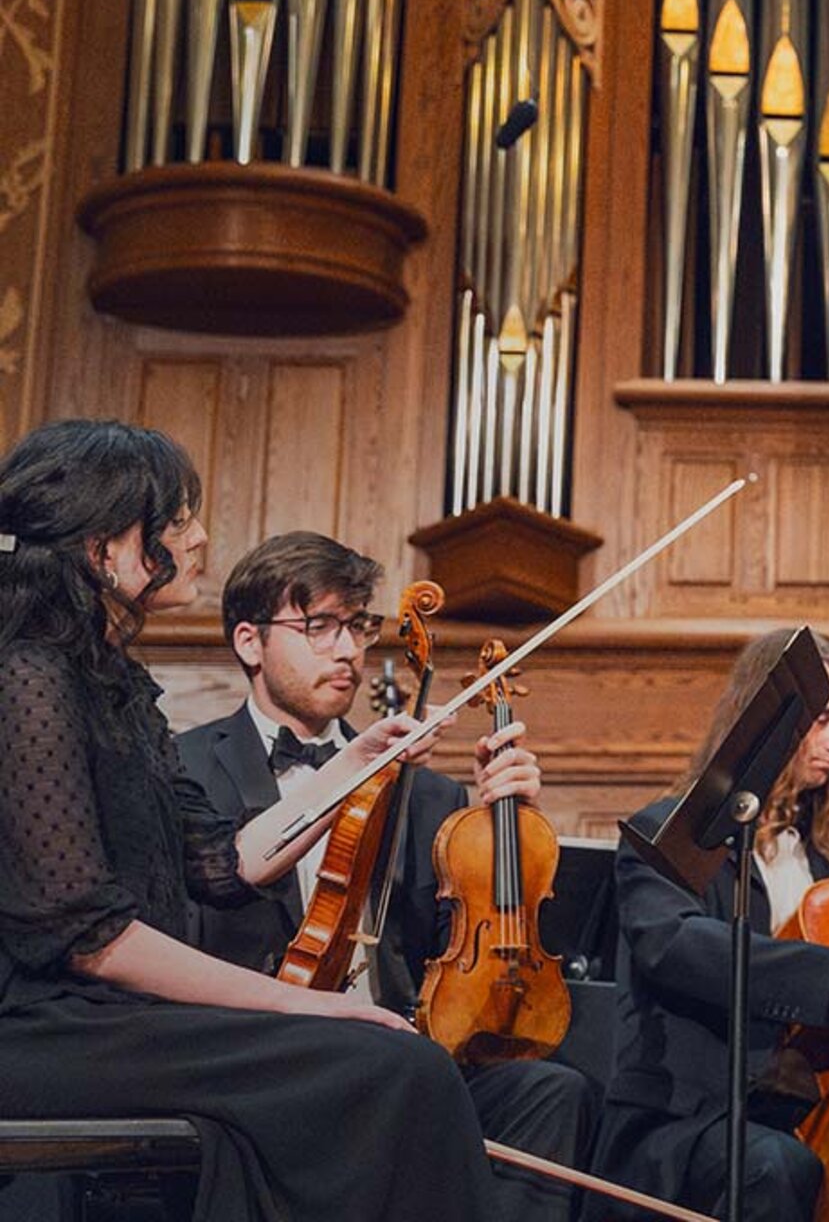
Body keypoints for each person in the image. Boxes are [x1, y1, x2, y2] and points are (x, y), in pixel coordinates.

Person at [0, 418, 496, 1222]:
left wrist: (352, 762)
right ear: (102, 551)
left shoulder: (116, 683)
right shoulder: (26, 675)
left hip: (107, 1021)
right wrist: (309, 1003)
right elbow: (89, 940)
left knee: (393, 1062)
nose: (198, 540)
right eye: (177, 520)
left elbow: (224, 864)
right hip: (41, 1028)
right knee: (393, 1066)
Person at [176, 531, 596, 1222]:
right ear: (249, 642)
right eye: (318, 627)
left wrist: (501, 834)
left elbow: (458, 959)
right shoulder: (188, 769)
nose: (346, 651)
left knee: (551, 1091)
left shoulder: (425, 795)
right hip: (262, 1058)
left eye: (358, 627)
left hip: (398, 1052)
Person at [593, 629, 829, 1222]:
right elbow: (674, 944)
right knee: (782, 1168)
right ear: (766, 721)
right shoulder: (671, 835)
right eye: (824, 718)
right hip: (687, 1118)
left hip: (812, 1107)